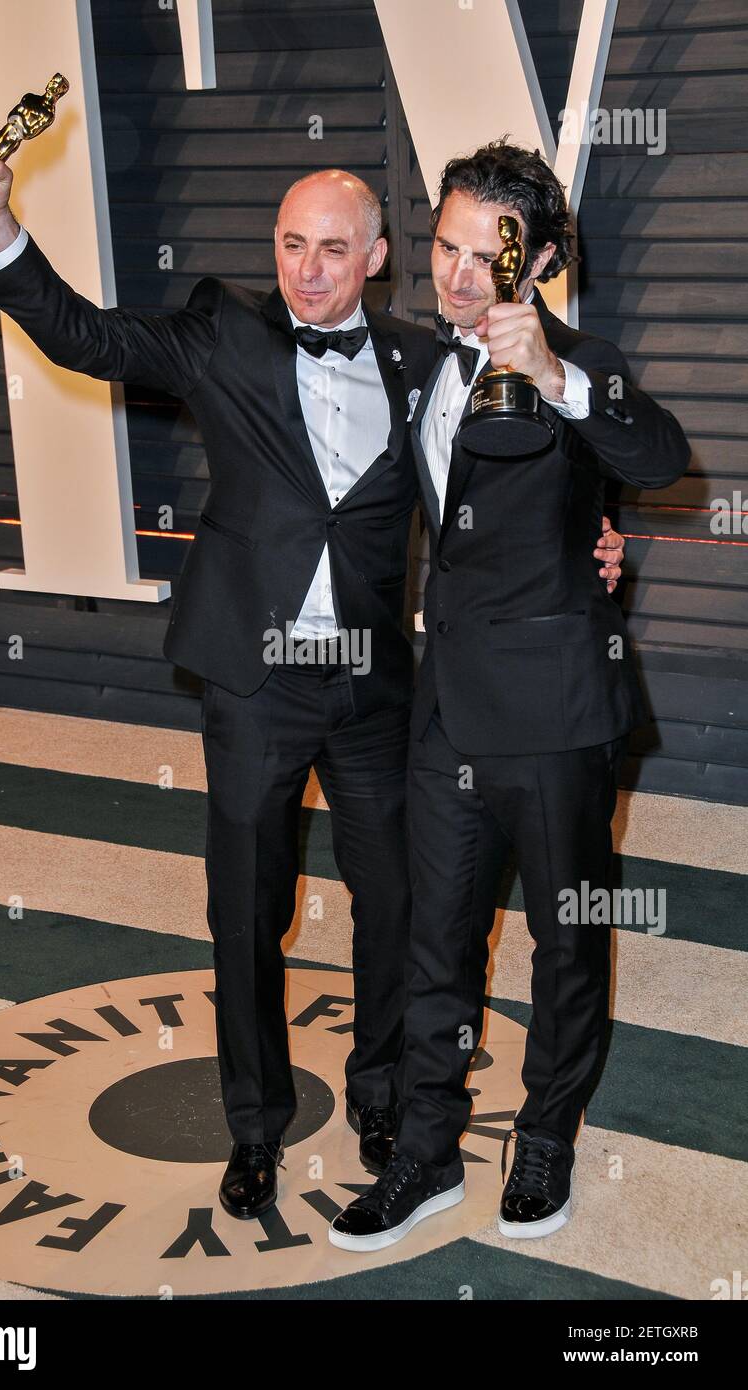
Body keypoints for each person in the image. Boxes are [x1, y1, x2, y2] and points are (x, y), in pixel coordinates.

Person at [0, 144, 625, 1221]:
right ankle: (253, 1125)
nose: (308, 271)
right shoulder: (221, 335)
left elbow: (521, 484)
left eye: (333, 250)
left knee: (398, 906)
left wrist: (596, 542)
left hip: (374, 688)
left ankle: (385, 1100)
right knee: (245, 912)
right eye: (292, 246)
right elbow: (85, 335)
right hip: (253, 680)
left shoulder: (421, 362)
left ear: (377, 258)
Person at [329, 141, 690, 1252]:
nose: (454, 274)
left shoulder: (582, 363)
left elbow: (659, 455)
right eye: (442, 246)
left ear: (533, 263)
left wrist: (556, 379)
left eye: (482, 255)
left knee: (565, 940)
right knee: (433, 940)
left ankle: (542, 1141)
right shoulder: (418, 359)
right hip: (443, 709)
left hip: (555, 712)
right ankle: (426, 1151)